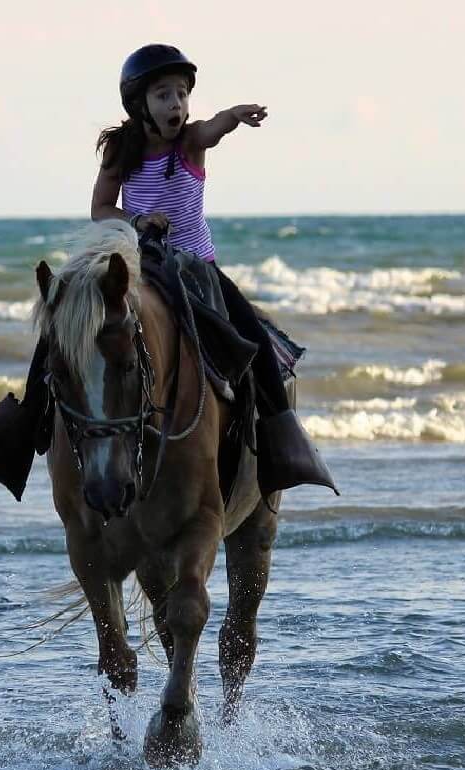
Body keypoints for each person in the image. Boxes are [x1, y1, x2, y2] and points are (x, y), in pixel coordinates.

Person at [90, 44, 336, 498]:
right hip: (140, 268)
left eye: (182, 94)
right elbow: (100, 208)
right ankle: (22, 427)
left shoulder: (190, 141)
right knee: (68, 330)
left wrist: (235, 116)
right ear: (138, 103)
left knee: (256, 340)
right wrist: (137, 222)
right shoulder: (121, 151)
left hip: (197, 270)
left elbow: (212, 128)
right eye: (164, 95)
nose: (176, 105)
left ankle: (285, 440)